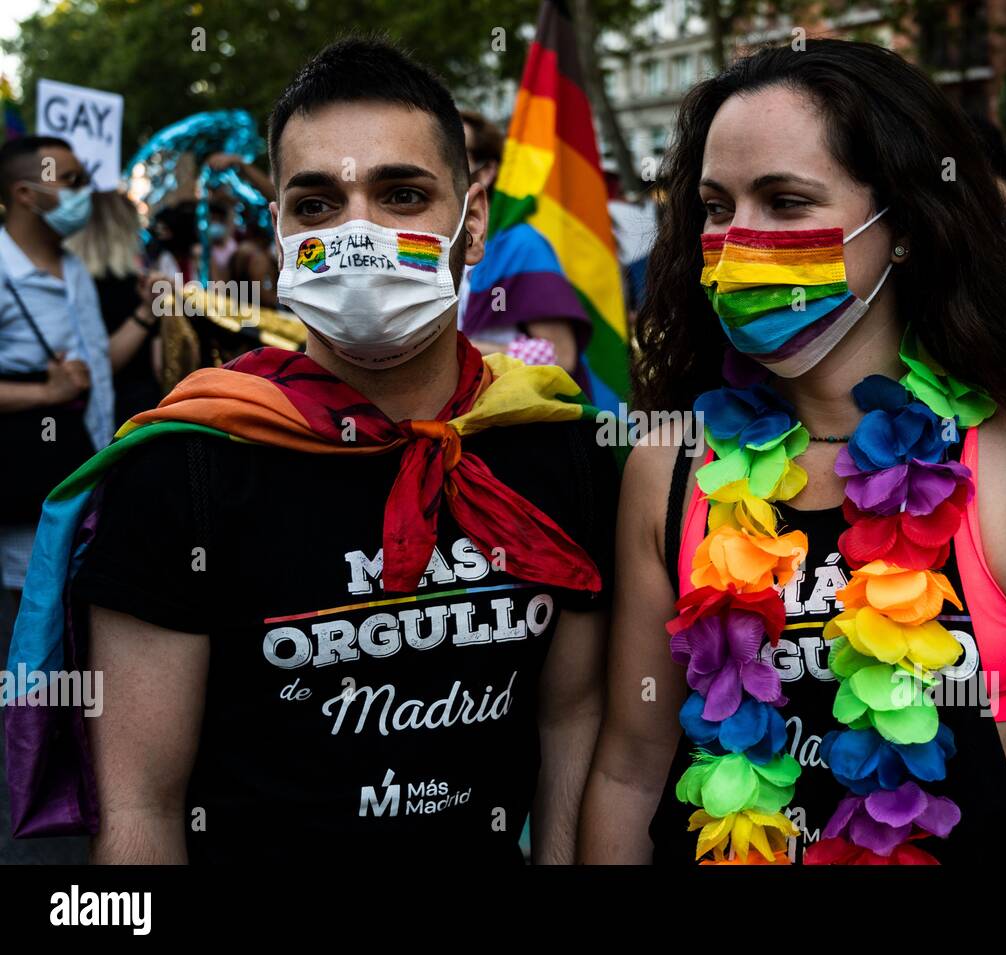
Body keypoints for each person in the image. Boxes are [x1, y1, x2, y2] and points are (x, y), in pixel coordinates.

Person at [5, 36, 616, 863]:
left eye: (402, 194)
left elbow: (571, 721)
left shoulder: (558, 444)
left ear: (471, 224)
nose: (360, 236)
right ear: (282, 231)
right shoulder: (183, 467)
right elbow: (143, 813)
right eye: (320, 204)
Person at [579, 40, 1006, 865]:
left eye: (784, 201)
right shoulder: (669, 468)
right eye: (714, 206)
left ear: (907, 227)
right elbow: (630, 771)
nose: (738, 240)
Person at [0, 135, 113, 602]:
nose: (84, 192)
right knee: (35, 631)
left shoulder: (75, 267)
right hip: (33, 490)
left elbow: (97, 365)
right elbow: (61, 386)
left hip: (91, 477)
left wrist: (150, 316)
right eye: (71, 181)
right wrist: (45, 396)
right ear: (26, 193)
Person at [458, 110, 585, 377]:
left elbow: (561, 356)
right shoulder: (416, 244)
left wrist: (458, 351)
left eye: (456, 152)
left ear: (487, 171)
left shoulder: (521, 246)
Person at [66, 189, 163, 423]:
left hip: (92, 415)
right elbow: (100, 364)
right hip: (134, 413)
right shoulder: (141, 287)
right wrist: (147, 313)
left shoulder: (68, 285)